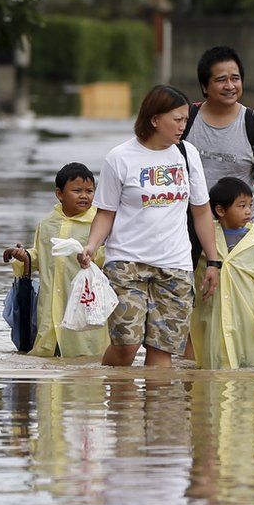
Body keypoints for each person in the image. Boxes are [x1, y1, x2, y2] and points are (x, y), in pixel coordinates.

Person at [77, 85, 221, 368]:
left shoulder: (187, 154)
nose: (183, 126)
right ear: (155, 119)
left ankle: (160, 413)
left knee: (162, 352)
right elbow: (106, 213)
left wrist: (214, 260)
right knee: (126, 346)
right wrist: (92, 246)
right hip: (126, 264)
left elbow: (202, 212)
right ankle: (118, 407)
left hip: (175, 266)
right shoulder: (120, 157)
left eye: (185, 120)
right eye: (177, 119)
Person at [183, 45, 254, 274]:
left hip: (240, 237)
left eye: (235, 78)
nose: (230, 86)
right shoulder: (185, 122)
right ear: (205, 86)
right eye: (221, 79)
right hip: (189, 235)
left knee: (242, 305)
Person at [3, 162, 110, 358]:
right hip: (51, 304)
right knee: (49, 357)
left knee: (87, 358)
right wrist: (24, 256)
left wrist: (94, 255)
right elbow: (40, 257)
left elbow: (107, 257)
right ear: (60, 194)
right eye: (77, 190)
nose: (84, 196)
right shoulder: (47, 225)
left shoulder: (98, 225)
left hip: (85, 302)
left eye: (90, 191)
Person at [189, 177, 254, 370]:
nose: (249, 211)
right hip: (211, 312)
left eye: (250, 205)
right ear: (220, 210)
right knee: (210, 366)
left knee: (249, 367)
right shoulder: (206, 240)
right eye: (241, 205)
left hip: (245, 316)